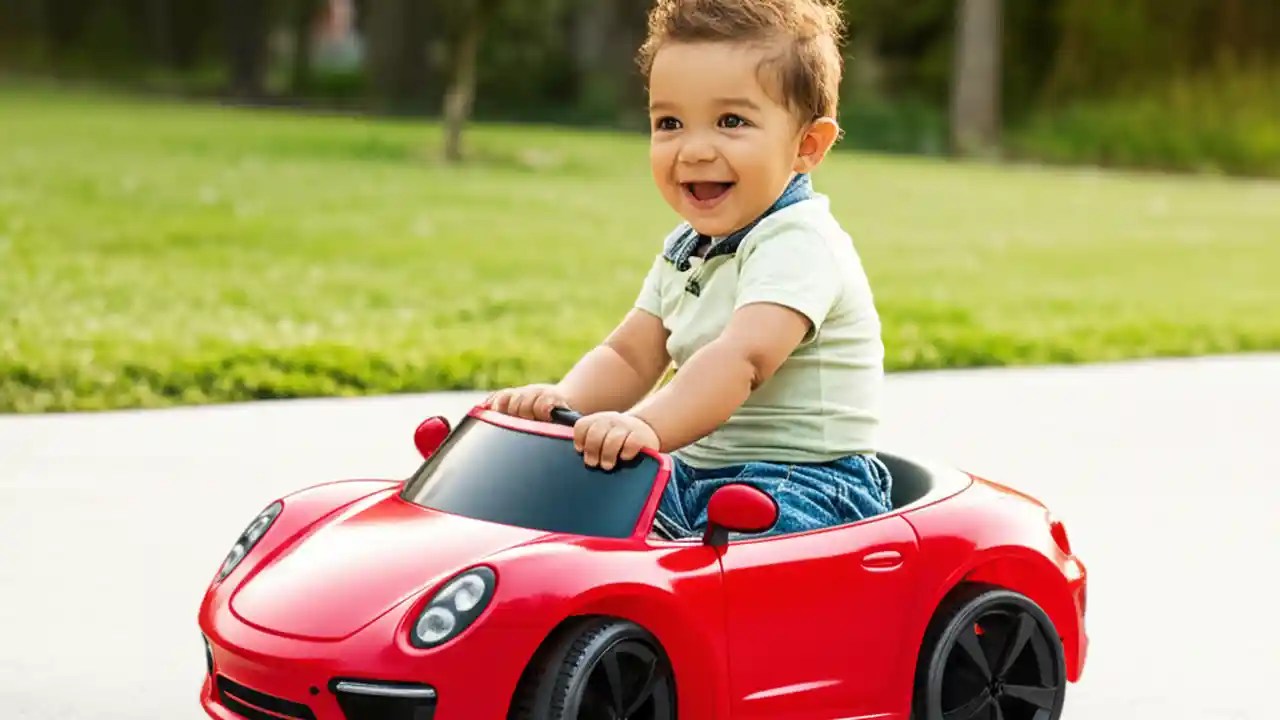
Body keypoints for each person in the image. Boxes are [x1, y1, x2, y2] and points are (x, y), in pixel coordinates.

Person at [487, 0, 892, 539]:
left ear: (806, 146)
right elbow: (630, 355)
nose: (695, 149)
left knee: (727, 572)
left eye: (731, 121)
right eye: (670, 123)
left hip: (806, 482)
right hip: (697, 471)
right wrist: (567, 400)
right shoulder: (688, 246)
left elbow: (741, 359)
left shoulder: (799, 242)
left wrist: (644, 426)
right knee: (570, 505)